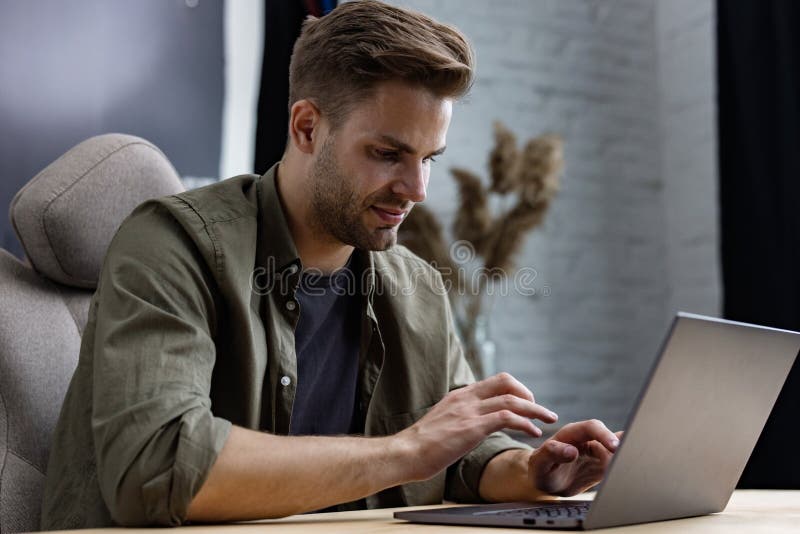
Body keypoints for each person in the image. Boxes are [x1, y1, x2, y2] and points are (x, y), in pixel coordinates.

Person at [41, 1, 620, 529]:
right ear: (307, 127)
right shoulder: (172, 246)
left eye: (429, 159)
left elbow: (462, 454)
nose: (416, 189)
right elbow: (158, 468)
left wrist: (534, 471)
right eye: (388, 154)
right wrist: (407, 451)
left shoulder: (414, 286)